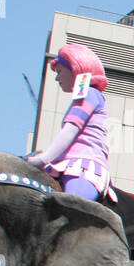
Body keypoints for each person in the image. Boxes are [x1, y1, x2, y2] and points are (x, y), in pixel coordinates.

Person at [26, 44, 115, 201]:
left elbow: (70, 130)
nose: (57, 77)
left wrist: (43, 159)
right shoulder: (89, 95)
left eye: (60, 71)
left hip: (83, 166)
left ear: (75, 69)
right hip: (68, 164)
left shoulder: (88, 93)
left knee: (71, 205)